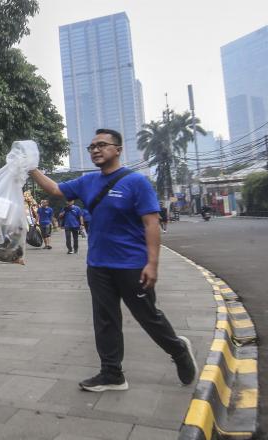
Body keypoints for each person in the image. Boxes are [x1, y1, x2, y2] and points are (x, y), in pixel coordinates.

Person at [30, 128, 197, 392]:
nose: (96, 149)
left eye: (102, 145)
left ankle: (178, 350)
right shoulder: (86, 182)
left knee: (148, 317)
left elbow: (151, 224)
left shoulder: (136, 183)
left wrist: (152, 263)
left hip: (132, 265)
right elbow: (53, 188)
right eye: (92, 146)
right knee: (105, 319)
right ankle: (112, 373)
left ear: (118, 150)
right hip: (98, 265)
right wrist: (30, 167)